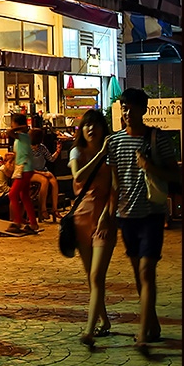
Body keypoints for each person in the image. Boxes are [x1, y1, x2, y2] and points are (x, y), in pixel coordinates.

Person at [107, 88, 180, 356]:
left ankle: (142, 334)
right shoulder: (114, 142)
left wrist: (151, 167)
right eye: (123, 108)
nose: (127, 113)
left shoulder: (156, 138)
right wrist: (109, 214)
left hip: (151, 214)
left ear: (143, 110)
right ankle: (153, 322)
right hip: (126, 216)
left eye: (131, 108)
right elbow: (114, 182)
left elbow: (176, 174)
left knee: (148, 270)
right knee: (139, 273)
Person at [68, 109, 117, 348]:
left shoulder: (112, 156)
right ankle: (105, 321)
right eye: (87, 125)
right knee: (91, 277)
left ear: (102, 129)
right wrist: (100, 154)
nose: (91, 129)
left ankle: (89, 330)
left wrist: (108, 214)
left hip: (104, 219)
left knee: (97, 275)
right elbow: (78, 177)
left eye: (95, 125)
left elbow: (115, 188)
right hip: (81, 219)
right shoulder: (77, 152)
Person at [7, 113, 39, 233]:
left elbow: (9, 132)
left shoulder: (22, 136)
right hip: (24, 168)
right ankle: (33, 223)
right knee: (24, 195)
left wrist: (20, 127)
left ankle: (18, 221)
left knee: (12, 194)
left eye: (13, 122)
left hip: (24, 169)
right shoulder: (22, 136)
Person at [29, 128, 61, 222]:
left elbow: (51, 159)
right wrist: (42, 173)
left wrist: (58, 151)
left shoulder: (41, 147)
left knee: (53, 181)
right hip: (31, 172)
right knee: (44, 180)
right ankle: (43, 209)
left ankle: (55, 209)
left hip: (43, 170)